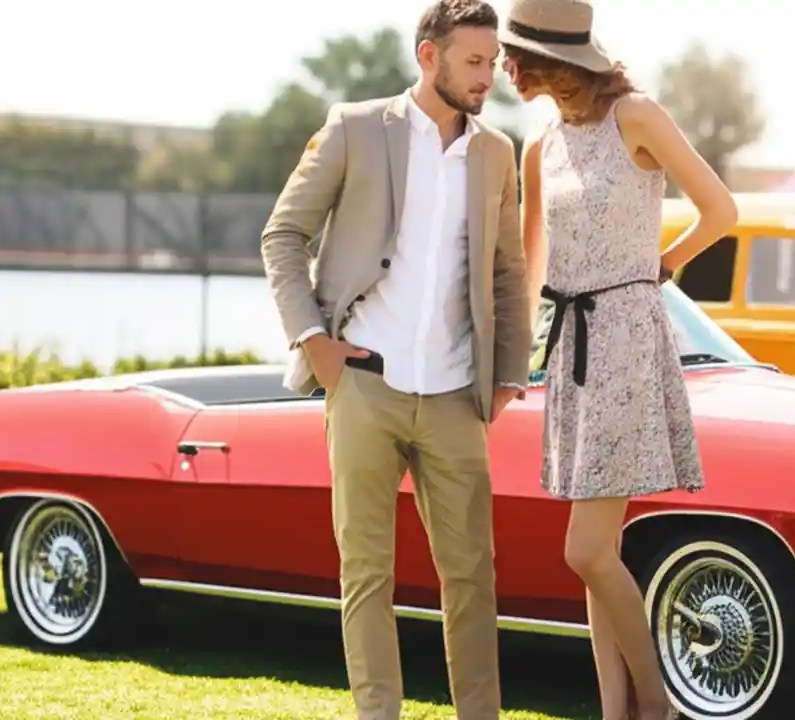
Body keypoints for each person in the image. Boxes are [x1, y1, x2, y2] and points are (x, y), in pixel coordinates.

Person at [259, 0, 531, 717]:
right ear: (429, 56)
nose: (487, 76)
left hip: (453, 394)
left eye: (493, 62)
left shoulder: (497, 152)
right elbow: (283, 235)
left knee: (473, 576)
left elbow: (508, 268)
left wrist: (509, 372)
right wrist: (313, 342)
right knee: (367, 574)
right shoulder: (354, 128)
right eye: (474, 62)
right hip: (364, 383)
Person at [498, 1, 738, 718]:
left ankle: (657, 706)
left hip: (628, 336)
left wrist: (659, 267)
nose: (505, 69)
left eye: (515, 56)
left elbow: (720, 209)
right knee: (598, 557)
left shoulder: (636, 116)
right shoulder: (540, 145)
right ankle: (617, 711)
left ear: (554, 59)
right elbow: (530, 263)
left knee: (586, 550)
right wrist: (507, 354)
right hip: (570, 343)